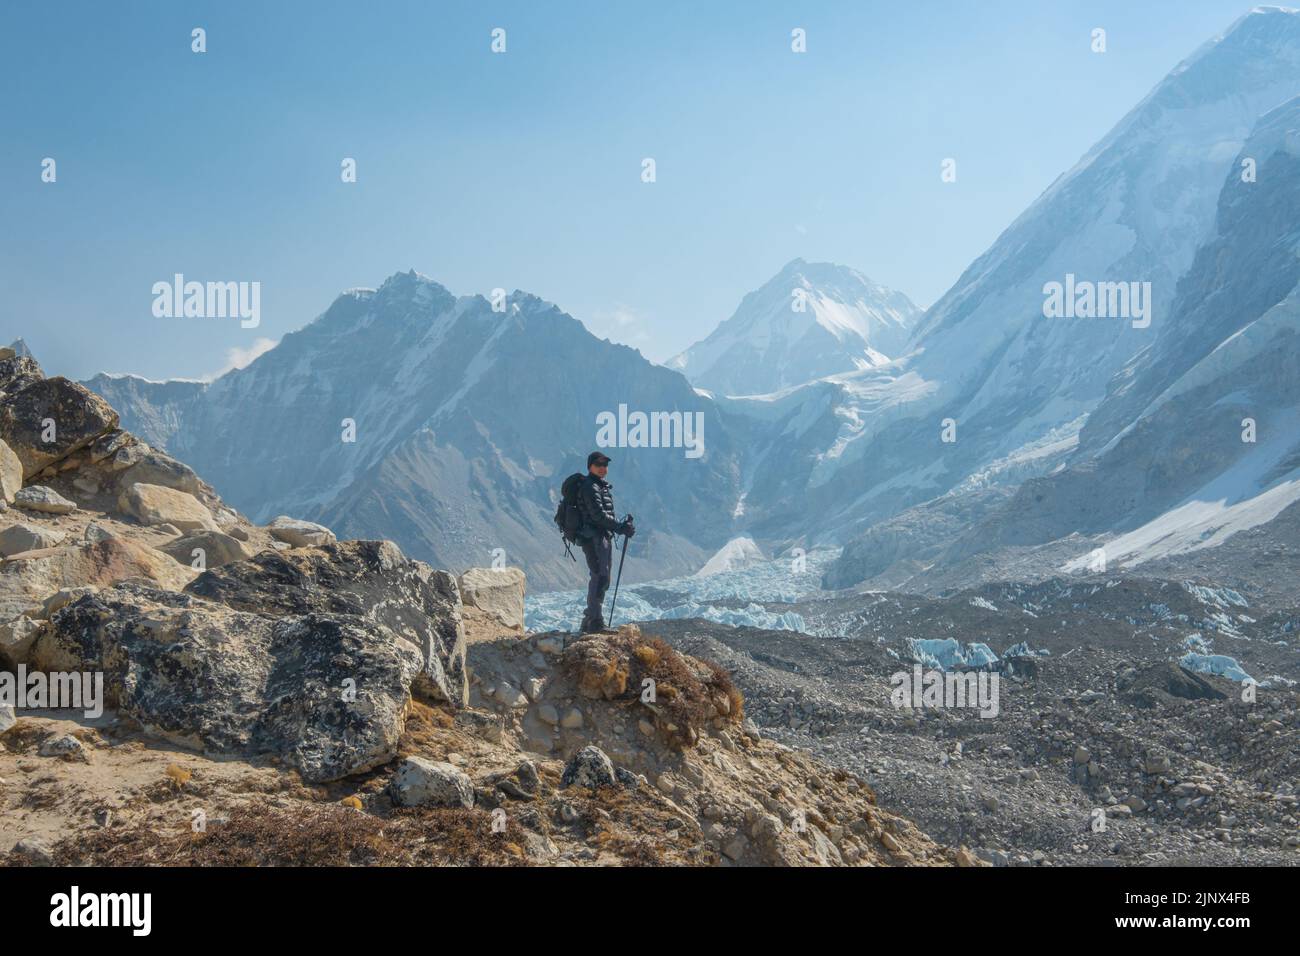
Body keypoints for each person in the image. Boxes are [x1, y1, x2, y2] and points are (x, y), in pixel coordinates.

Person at [576, 451, 634, 633]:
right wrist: (620, 527)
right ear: (590, 466)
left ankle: (589, 619)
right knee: (600, 577)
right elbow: (598, 515)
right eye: (598, 464)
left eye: (605, 465)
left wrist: (619, 526)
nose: (602, 468)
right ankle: (595, 622)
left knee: (602, 576)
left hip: (601, 536)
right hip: (593, 537)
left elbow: (602, 514)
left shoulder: (599, 486)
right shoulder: (589, 487)